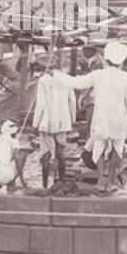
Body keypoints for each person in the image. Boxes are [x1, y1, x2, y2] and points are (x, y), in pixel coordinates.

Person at [54, 38, 127, 193]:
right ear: (121, 60)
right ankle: (110, 181)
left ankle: (100, 180)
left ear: (106, 59)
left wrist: (57, 75)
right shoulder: (125, 77)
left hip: (102, 117)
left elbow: (76, 83)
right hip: (119, 117)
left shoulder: (98, 75)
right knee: (118, 149)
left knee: (99, 147)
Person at [32, 57, 77, 189]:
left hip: (47, 120)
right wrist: (72, 119)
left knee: (45, 153)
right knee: (60, 152)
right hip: (63, 120)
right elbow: (72, 101)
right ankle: (61, 182)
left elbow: (40, 104)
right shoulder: (66, 78)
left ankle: (45, 185)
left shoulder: (43, 81)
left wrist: (36, 123)